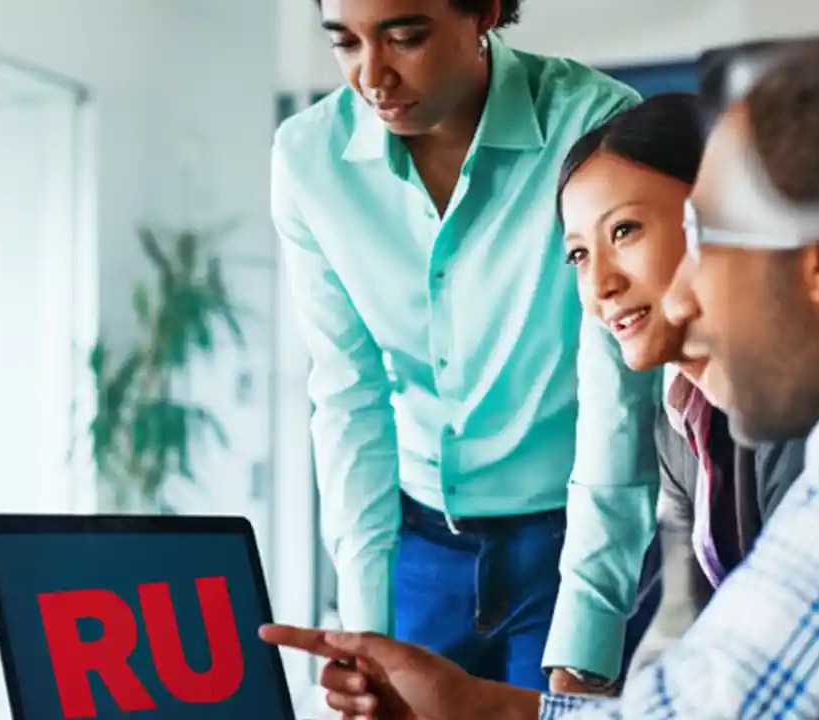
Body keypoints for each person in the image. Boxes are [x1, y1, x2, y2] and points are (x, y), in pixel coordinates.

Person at [262, 35, 819, 719]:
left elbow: (731, 703)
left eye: (710, 240)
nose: (683, 295)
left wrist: (493, 711)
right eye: (577, 255)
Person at [272, 0, 661, 693]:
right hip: (416, 543)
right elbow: (347, 395)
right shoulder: (308, 158)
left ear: (482, 12)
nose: (373, 76)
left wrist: (588, 634)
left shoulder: (593, 122)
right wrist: (365, 631)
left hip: (573, 540)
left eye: (405, 37)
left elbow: (618, 403)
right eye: (345, 43)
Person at [552, 93, 805, 673]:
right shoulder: (681, 419)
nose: (601, 285)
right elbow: (690, 627)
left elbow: (789, 659)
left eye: (625, 231)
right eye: (578, 256)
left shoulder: (794, 405)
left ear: (716, 216)